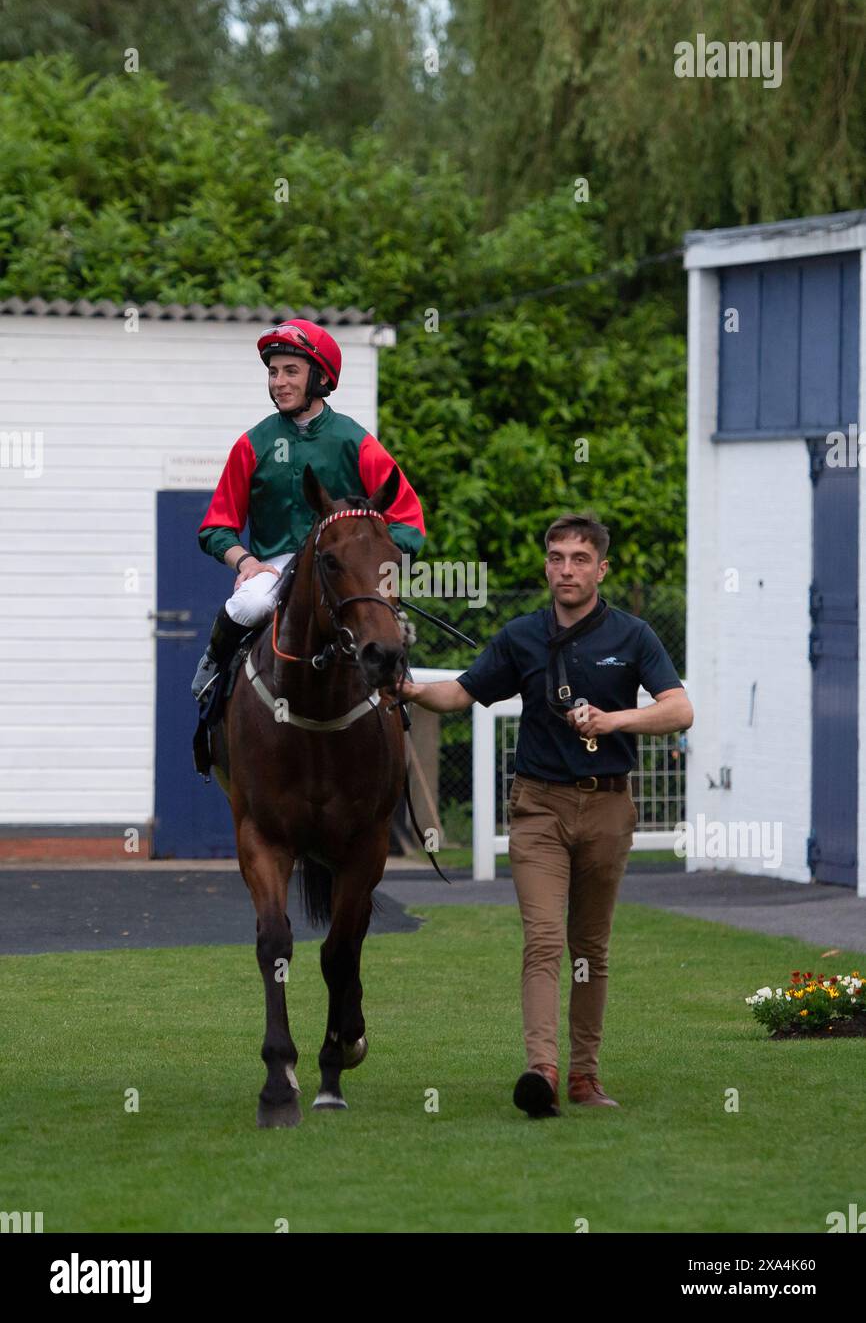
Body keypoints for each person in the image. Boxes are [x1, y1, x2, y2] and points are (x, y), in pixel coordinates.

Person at [398, 513, 693, 1118]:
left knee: (591, 947)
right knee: (542, 939)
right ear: (546, 565)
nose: (566, 569)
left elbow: (679, 709)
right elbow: (459, 693)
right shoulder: (521, 636)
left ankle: (586, 1076)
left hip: (609, 807)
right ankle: (543, 1071)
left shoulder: (634, 636)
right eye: (557, 557)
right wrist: (407, 689)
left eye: (579, 559)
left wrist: (613, 721)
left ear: (601, 568)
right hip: (537, 809)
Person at [191, 318, 426, 700]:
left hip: (345, 567)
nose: (278, 382)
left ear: (318, 377)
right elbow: (216, 527)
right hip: (278, 566)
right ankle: (214, 673)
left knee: (380, 628)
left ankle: (397, 699)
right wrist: (245, 562)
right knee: (249, 604)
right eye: (273, 372)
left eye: (290, 371)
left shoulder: (356, 441)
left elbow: (408, 521)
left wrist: (370, 561)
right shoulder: (252, 444)